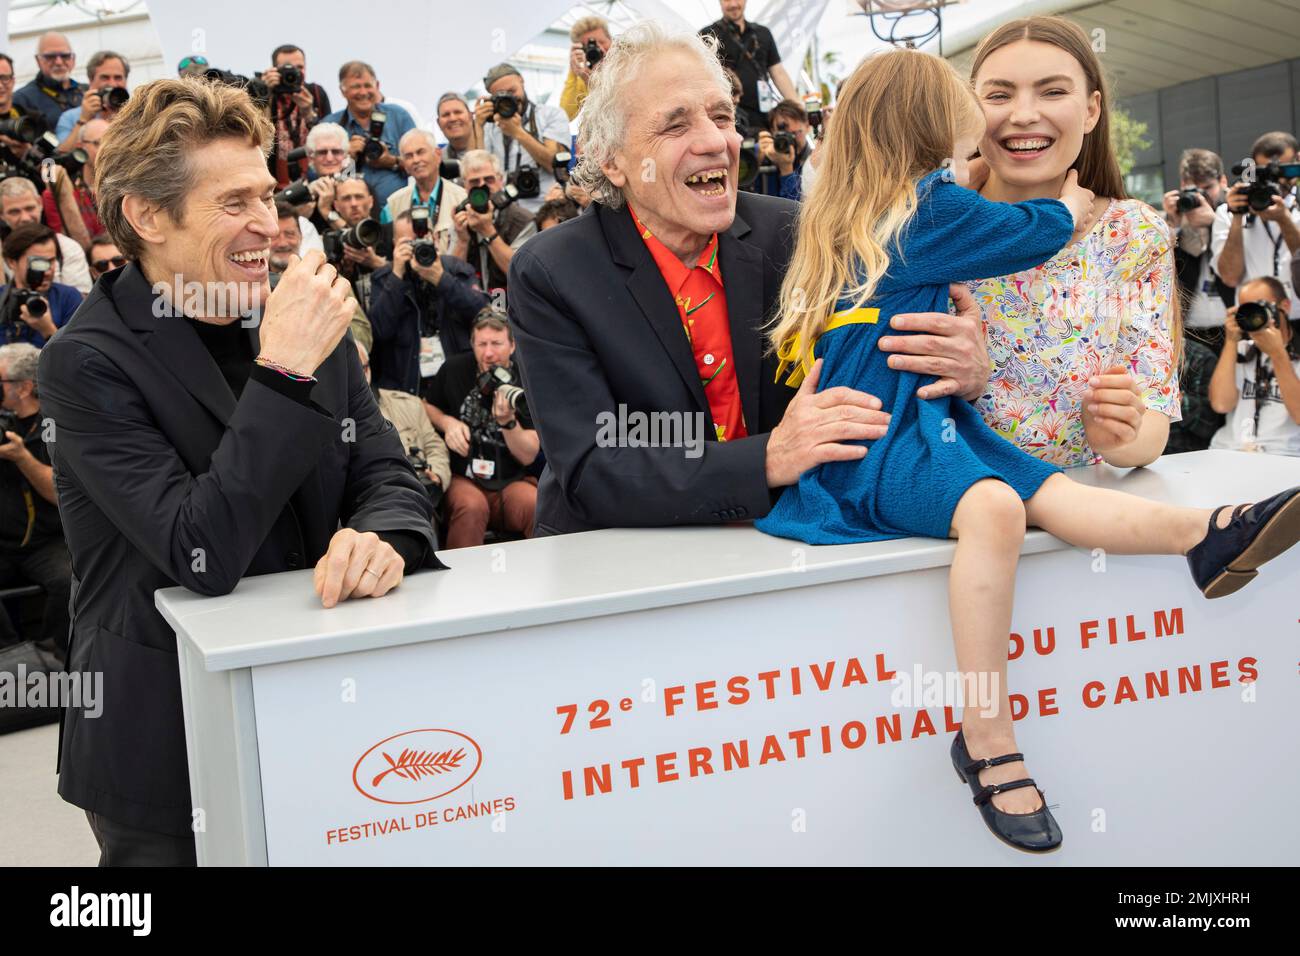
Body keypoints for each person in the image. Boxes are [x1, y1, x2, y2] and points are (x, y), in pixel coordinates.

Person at [754, 46, 1300, 855]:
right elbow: (1029, 233)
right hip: (884, 432)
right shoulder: (926, 212)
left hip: (926, 418)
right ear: (933, 127)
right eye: (985, 99)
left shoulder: (870, 209)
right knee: (999, 504)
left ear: (1093, 105)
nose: (1006, 118)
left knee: (1042, 488)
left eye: (1050, 91)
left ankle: (1206, 534)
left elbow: (1150, 404)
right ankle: (986, 736)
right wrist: (1073, 209)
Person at [38, 77, 443, 867]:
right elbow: (201, 551)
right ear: (148, 216)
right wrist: (285, 372)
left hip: (323, 709)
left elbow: (389, 476)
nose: (269, 223)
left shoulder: (298, 312)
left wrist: (382, 535)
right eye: (234, 204)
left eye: (267, 194)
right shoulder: (84, 365)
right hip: (167, 742)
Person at [508, 23, 987, 536]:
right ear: (611, 160)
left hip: (790, 542)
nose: (716, 141)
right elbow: (592, 468)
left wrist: (957, 372)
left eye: (722, 116)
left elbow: (876, 379)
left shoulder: (801, 233)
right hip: (621, 565)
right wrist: (767, 459)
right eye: (675, 126)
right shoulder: (552, 270)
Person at [966, 16, 1181, 469]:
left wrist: (1117, 436)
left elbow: (1152, 425)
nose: (1023, 114)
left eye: (1053, 91)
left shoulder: (1133, 233)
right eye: (999, 95)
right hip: (930, 516)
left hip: (1081, 517)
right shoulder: (927, 223)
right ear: (967, 111)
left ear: (1091, 110)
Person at [425, 311, 539, 548]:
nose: (488, 353)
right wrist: (448, 423)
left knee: (535, 504)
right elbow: (426, 406)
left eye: (496, 344)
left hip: (509, 479)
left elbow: (529, 453)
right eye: (482, 344)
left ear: (512, 345)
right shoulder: (455, 368)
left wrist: (508, 423)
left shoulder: (528, 378)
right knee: (472, 507)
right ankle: (461, 583)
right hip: (464, 476)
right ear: (472, 344)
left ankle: (545, 579)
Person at [0, 342, 70, 658]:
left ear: (24, 387)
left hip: (47, 542)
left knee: (71, 579)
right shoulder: (5, 422)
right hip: (4, 542)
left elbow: (60, 493)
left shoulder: (55, 426)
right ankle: (10, 655)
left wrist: (21, 457)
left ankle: (48, 654)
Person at [369, 209, 487, 392]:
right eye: (409, 243)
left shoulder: (456, 269)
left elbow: (482, 313)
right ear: (394, 245)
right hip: (406, 383)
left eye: (421, 241)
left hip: (454, 381)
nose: (417, 248)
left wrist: (441, 279)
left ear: (434, 238)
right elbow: (379, 331)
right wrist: (397, 276)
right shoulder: (384, 278)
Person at [357, 340, 450, 522]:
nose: (354, 376)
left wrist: (436, 474)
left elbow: (434, 445)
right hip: (362, 508)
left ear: (368, 370)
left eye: (359, 368)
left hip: (414, 501)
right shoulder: (330, 417)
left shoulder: (409, 404)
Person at [1212, 131, 1300, 320]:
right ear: (1253, 169)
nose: (1276, 181)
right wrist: (1237, 216)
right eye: (1265, 173)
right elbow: (1230, 277)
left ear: (1297, 160)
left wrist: (1284, 220)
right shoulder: (1229, 211)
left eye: (1281, 171)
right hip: (1255, 320)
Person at [1209, 276, 1300, 455]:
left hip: (1283, 456)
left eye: (1260, 307)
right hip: (1230, 450)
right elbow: (1221, 404)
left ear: (1285, 306)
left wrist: (1277, 354)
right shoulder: (1239, 349)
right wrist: (1230, 342)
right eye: (1246, 310)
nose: (1254, 316)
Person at [476, 63, 571, 214]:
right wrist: (478, 127)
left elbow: (553, 163)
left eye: (512, 91)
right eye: (502, 95)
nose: (511, 98)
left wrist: (518, 132)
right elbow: (478, 169)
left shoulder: (551, 115)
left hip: (546, 210)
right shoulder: (490, 126)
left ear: (522, 80)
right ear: (493, 98)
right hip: (505, 212)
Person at [1165, 148, 1231, 352]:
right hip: (1190, 329)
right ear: (1183, 185)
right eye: (1195, 189)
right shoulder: (1178, 213)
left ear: (1223, 181)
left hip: (1231, 324)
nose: (1201, 195)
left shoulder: (1234, 210)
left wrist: (1215, 223)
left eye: (1207, 187)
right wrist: (1171, 223)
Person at [321, 61, 414, 207]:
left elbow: (423, 162)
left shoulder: (398, 116)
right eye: (356, 87)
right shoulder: (329, 127)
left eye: (368, 86)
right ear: (342, 91)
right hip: (349, 216)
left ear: (377, 86)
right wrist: (345, 158)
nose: (363, 92)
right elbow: (316, 175)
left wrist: (391, 161)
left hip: (396, 211)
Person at [699, 0, 796, 130]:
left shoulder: (763, 33)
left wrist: (796, 105)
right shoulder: (708, 35)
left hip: (763, 117)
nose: (733, 5)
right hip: (728, 118)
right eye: (727, 0)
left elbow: (778, 72)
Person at [452, 149, 531, 294]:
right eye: (475, 181)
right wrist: (462, 241)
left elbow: (522, 272)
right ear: (465, 186)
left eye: (489, 180)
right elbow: (452, 279)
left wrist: (487, 230)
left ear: (501, 181)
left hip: (510, 304)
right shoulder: (460, 217)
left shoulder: (522, 219)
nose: (482, 186)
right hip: (474, 304)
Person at [0, 176, 93, 293]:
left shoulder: (67, 248)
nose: (24, 218)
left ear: (40, 203)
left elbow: (81, 302)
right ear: (2, 214)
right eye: (14, 212)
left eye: (29, 208)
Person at [0, 223, 81, 346]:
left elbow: (75, 357)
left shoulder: (68, 298)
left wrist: (48, 330)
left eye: (51, 261)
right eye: (38, 263)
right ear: (11, 262)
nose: (48, 271)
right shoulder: (2, 298)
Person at [263, 43, 332, 187]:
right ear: (274, 70)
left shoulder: (316, 93)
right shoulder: (264, 93)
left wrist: (308, 112)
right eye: (286, 69)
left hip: (314, 181)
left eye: (299, 68)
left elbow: (330, 138)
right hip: (273, 183)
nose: (293, 73)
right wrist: (265, 93)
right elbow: (257, 136)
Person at [382, 128, 467, 242]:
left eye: (420, 152)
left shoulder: (461, 198)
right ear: (405, 165)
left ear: (437, 155)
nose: (416, 160)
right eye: (409, 156)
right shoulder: (392, 205)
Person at [55, 49, 128, 149]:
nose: (112, 84)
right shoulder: (70, 118)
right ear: (90, 81)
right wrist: (84, 119)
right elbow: (62, 155)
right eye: (105, 77)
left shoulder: (138, 113)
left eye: (118, 78)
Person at [13, 32, 82, 130]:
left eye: (65, 56)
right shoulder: (22, 99)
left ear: (73, 59)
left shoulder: (85, 91)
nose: (59, 62)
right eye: (50, 57)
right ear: (38, 60)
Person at [754, 98, 811, 200]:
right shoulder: (766, 158)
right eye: (783, 134)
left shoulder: (814, 163)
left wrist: (786, 169)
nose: (789, 140)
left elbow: (795, 211)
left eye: (795, 134)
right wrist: (754, 164)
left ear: (807, 127)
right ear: (772, 131)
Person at [560, 15, 613, 121]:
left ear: (611, 40)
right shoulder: (583, 75)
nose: (599, 49)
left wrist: (590, 81)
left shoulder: (629, 64)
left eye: (602, 42)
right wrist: (574, 70)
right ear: (581, 49)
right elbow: (566, 115)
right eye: (590, 46)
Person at [435, 92, 480, 167]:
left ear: (471, 116)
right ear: (438, 123)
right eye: (446, 115)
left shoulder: (491, 146)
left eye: (457, 112)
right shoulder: (438, 161)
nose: (452, 118)